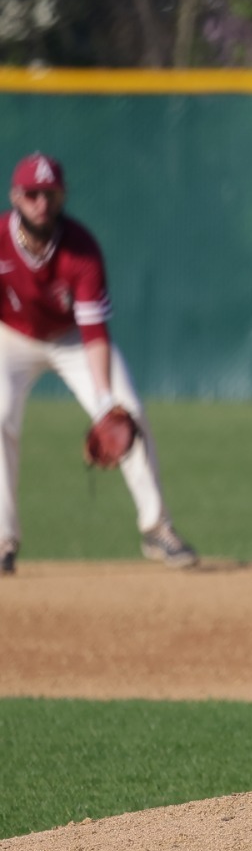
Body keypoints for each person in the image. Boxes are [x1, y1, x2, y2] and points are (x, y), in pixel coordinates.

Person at [0, 152, 197, 573]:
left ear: (62, 195)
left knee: (129, 414)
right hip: (10, 337)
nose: (41, 203)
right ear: (15, 196)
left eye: (49, 194)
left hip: (71, 338)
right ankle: (3, 539)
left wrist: (106, 401)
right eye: (32, 194)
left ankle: (157, 527)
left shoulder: (81, 250)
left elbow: (94, 333)